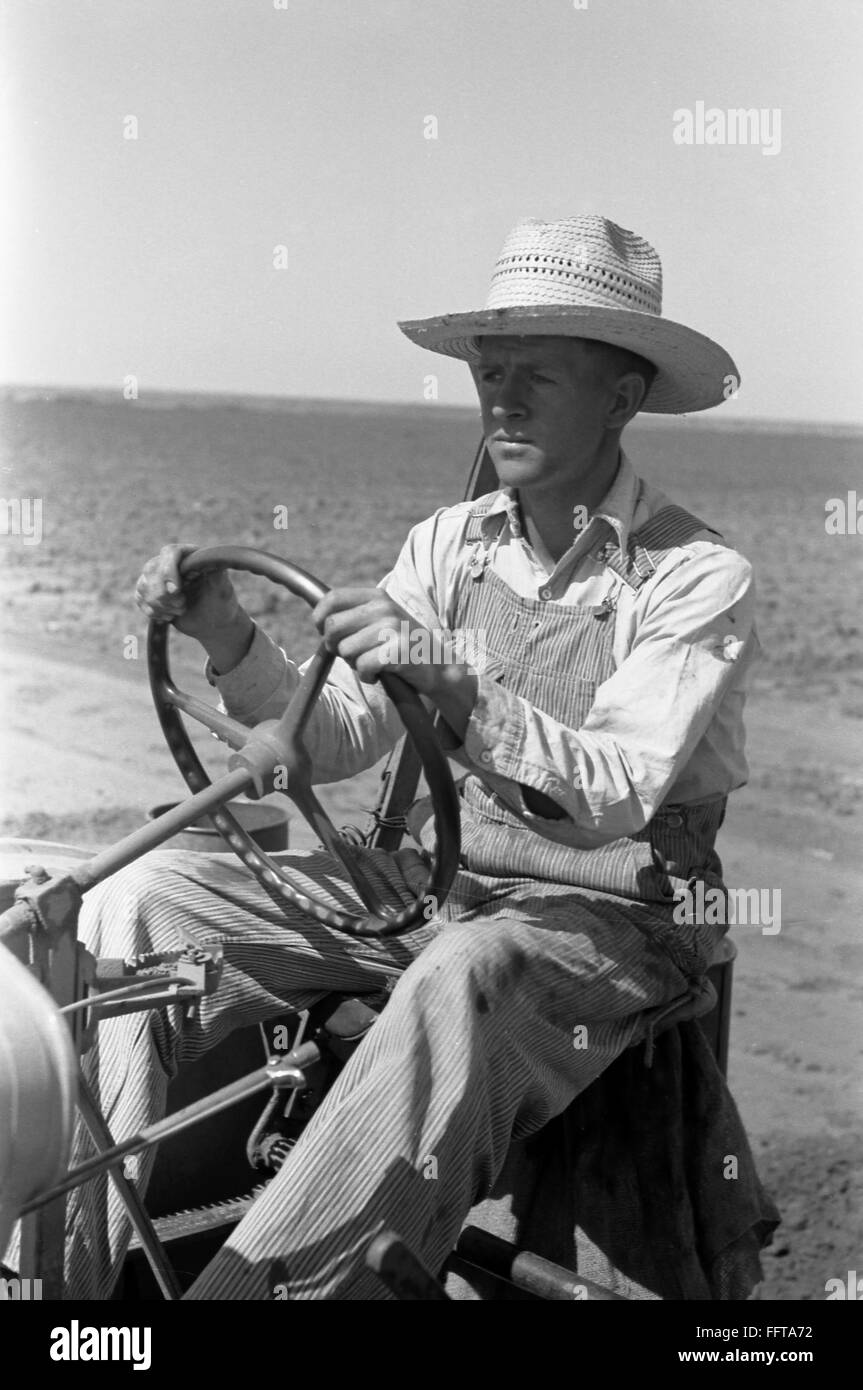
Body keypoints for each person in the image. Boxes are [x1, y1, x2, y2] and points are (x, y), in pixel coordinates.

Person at [68, 215, 759, 1299]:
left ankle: (263, 1292)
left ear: (623, 397)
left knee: (460, 974)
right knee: (144, 898)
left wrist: (460, 689)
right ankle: (88, 1275)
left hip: (615, 923)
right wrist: (227, 635)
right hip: (443, 896)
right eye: (490, 372)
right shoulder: (449, 545)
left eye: (536, 374)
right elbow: (333, 731)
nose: (501, 399)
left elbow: (617, 794)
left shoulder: (691, 576)